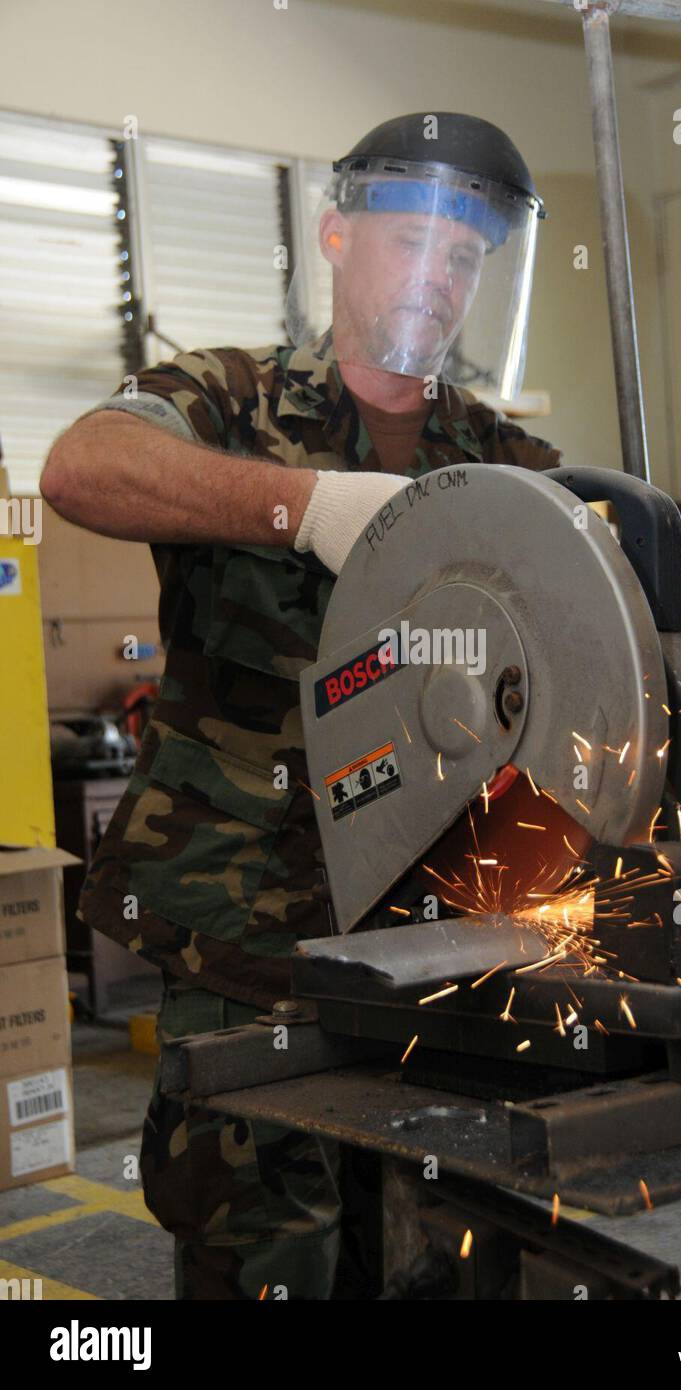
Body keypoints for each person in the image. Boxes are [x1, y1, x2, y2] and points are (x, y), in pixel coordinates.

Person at [39, 111, 561, 1300]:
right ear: (335, 235)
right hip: (245, 928)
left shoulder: (502, 461)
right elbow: (81, 467)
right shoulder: (228, 395)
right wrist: (305, 506)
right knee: (267, 1252)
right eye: (410, 238)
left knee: (436, 1249)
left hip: (437, 930)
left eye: (465, 254)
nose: (437, 273)